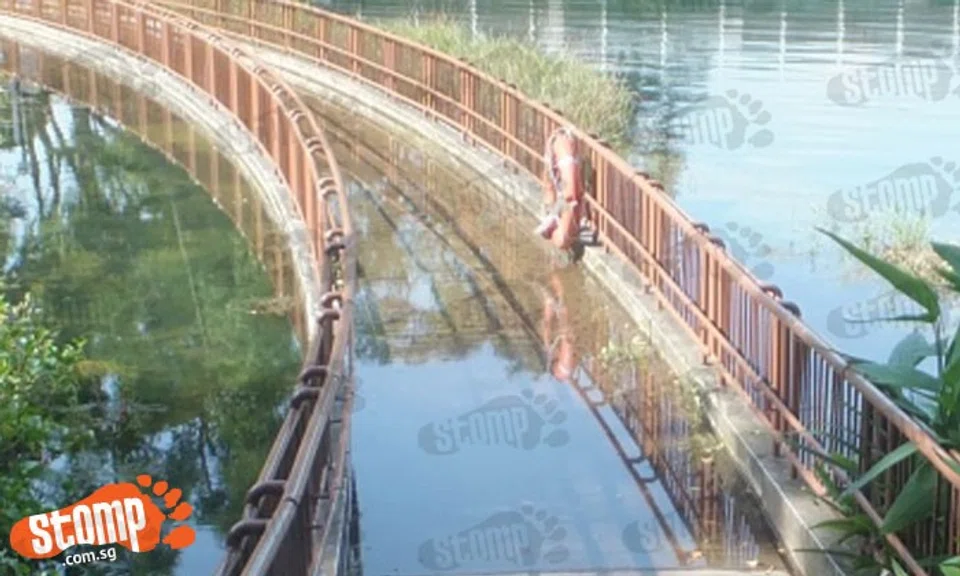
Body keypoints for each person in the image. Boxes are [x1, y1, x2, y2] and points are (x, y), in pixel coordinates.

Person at [534, 126, 586, 251]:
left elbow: (571, 194)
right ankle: (556, 222)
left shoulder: (562, 149)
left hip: (567, 201)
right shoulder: (556, 148)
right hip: (563, 201)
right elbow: (551, 187)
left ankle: (559, 224)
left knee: (562, 239)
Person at [540, 271, 577, 382]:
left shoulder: (552, 349)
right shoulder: (563, 368)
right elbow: (567, 339)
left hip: (561, 339)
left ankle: (552, 275)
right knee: (561, 299)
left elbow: (547, 326)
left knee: (549, 324)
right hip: (564, 335)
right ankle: (553, 272)